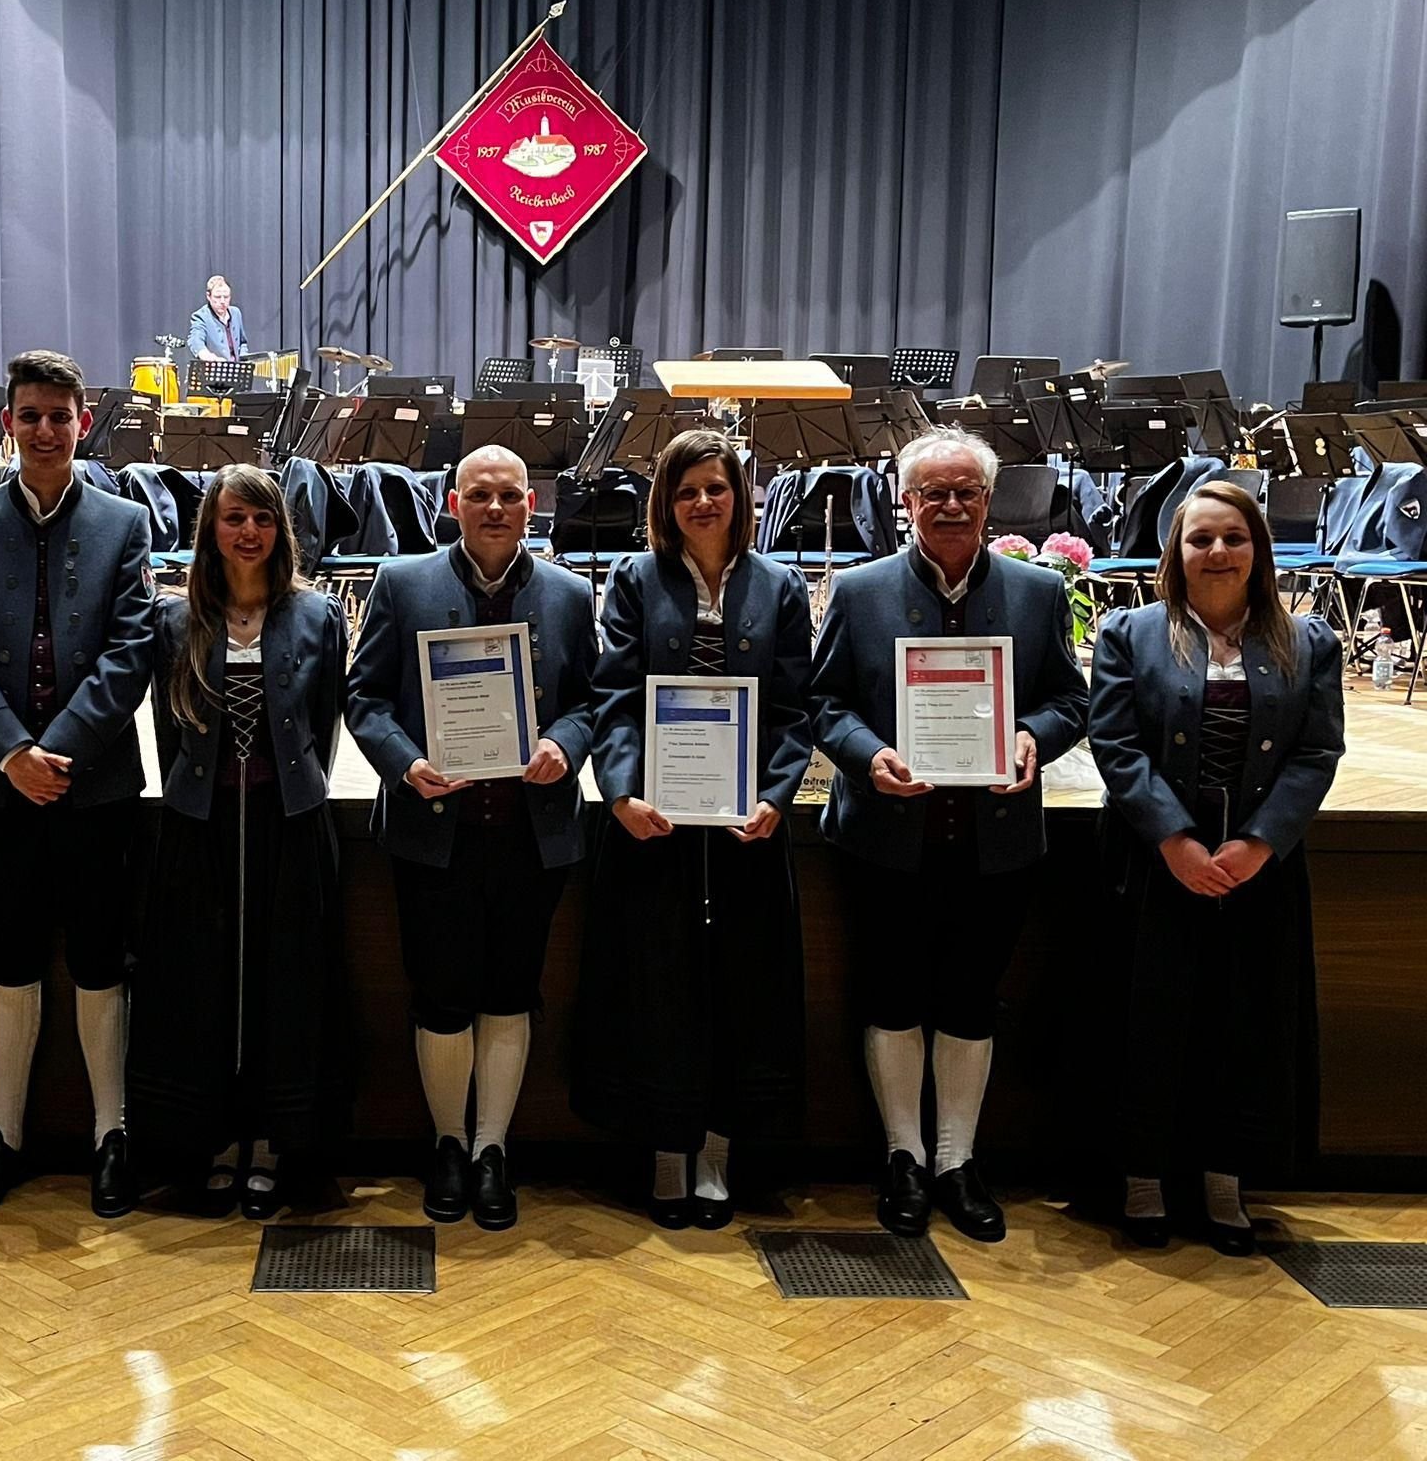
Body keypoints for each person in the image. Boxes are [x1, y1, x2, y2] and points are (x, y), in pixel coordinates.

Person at [808, 428, 1088, 1243]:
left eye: (967, 490)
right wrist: (870, 755)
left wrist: (1034, 735)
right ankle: (902, 1156)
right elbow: (825, 704)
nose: (952, 504)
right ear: (906, 502)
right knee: (891, 996)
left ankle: (956, 1161)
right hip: (887, 836)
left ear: (989, 501)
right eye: (934, 492)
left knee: (970, 1001)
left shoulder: (1037, 593)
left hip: (996, 841)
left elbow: (1071, 702)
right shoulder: (859, 592)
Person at [345, 445, 597, 1230]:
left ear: (532, 506)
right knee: (441, 994)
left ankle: (493, 1149)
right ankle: (448, 1144)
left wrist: (567, 743)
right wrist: (405, 762)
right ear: (453, 504)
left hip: (531, 832)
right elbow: (366, 697)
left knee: (512, 991)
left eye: (511, 496)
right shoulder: (402, 582)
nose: (495, 509)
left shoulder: (570, 593)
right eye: (480, 495)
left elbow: (594, 700)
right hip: (434, 830)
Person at [1089, 481, 1343, 1255]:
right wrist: (1175, 840)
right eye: (1200, 539)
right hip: (1154, 863)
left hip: (1258, 869)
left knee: (1244, 1022)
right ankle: (1141, 1179)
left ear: (1258, 548)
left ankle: (1225, 1182)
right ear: (1176, 551)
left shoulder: (1310, 641)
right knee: (1150, 1021)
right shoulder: (1130, 633)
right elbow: (1118, 746)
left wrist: (1259, 844)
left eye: (1234, 537)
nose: (1218, 552)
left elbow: (1316, 753)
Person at [0, 350, 156, 1218]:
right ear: (9, 423)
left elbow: (131, 650)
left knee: (103, 957)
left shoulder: (124, 523)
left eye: (60, 415)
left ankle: (113, 1131)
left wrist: (54, 751)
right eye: (30, 415)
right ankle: (4, 1133)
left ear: (82, 422)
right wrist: (8, 753)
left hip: (95, 787)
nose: (45, 430)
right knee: (11, 956)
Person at [573, 431, 813, 1229]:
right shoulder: (637, 581)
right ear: (666, 507)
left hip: (747, 827)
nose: (704, 502)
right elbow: (613, 698)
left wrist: (777, 794)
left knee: (740, 988)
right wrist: (622, 793)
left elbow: (792, 708)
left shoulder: (778, 584)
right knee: (659, 988)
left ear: (740, 496)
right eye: (687, 492)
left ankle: (716, 1151)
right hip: (656, 824)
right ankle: (665, 1151)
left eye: (717, 487)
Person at [129, 465, 349, 1218]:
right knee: (200, 987)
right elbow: (166, 732)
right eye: (233, 519)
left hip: (292, 826)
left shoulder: (318, 617)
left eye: (260, 519)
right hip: (201, 827)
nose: (247, 533)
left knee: (290, 985)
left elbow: (324, 727)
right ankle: (210, 1146)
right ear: (210, 530)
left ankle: (283, 1144)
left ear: (279, 530)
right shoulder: (172, 621)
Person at [187, 276, 250, 363]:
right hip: (214, 372)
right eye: (217, 297)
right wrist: (208, 356)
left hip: (236, 370)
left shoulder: (236, 313)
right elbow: (195, 340)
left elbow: (243, 343)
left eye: (226, 297)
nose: (222, 301)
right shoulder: (201, 316)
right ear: (208, 296)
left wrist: (244, 359)